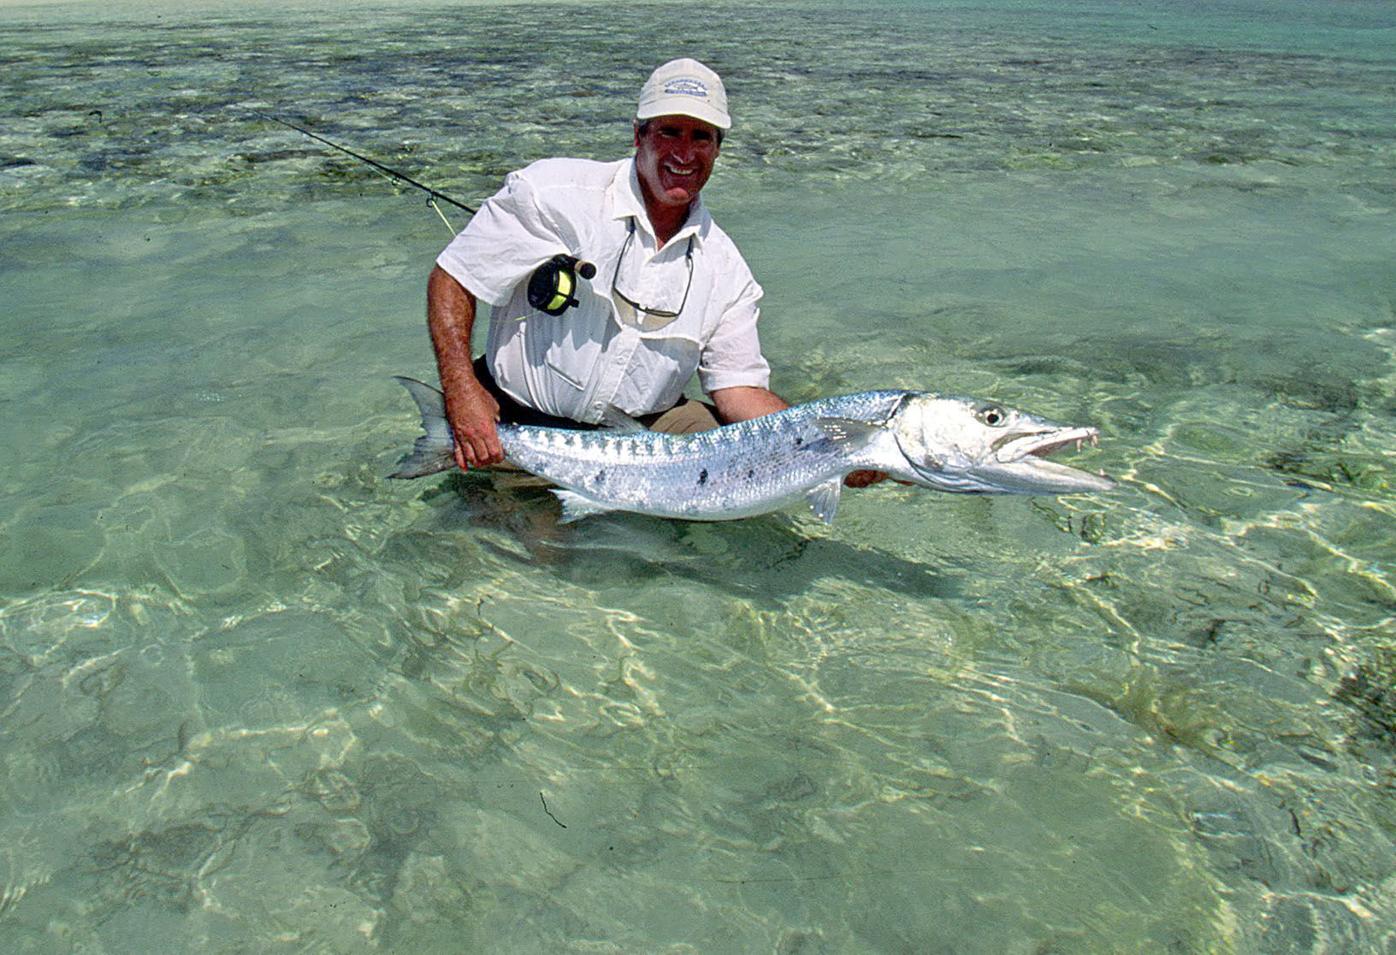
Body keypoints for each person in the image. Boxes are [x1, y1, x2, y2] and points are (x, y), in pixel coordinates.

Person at [426, 57, 883, 487]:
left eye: (701, 137)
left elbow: (738, 391)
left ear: (718, 149)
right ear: (638, 135)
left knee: (746, 500)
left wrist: (835, 448)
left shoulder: (728, 270)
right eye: (669, 132)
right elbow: (453, 278)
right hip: (518, 416)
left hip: (644, 433)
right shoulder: (552, 194)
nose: (684, 153)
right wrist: (461, 389)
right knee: (540, 558)